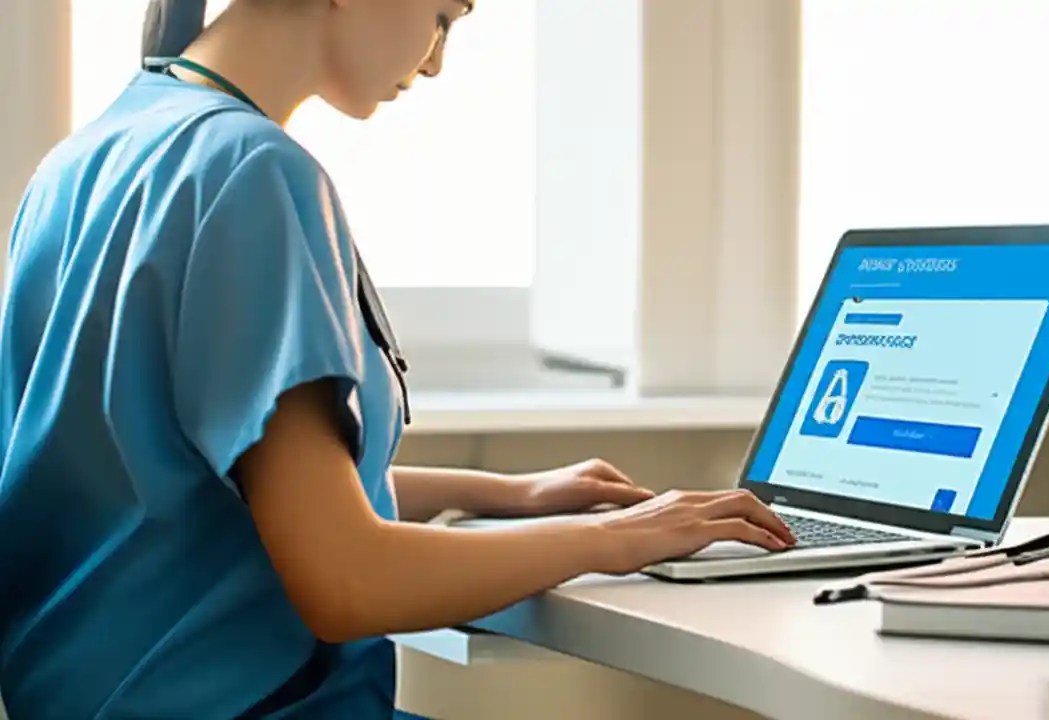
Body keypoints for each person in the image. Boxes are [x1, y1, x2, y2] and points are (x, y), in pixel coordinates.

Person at [0, 0, 797, 717]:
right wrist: (625, 536)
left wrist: (513, 492)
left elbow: (191, 486)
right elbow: (347, 580)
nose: (436, 59)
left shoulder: (85, 159)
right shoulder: (252, 172)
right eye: (446, 17)